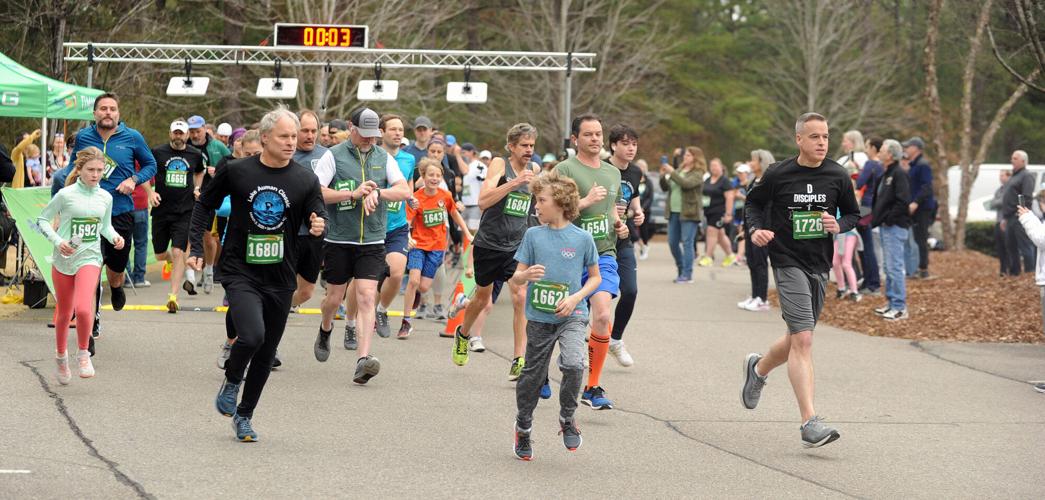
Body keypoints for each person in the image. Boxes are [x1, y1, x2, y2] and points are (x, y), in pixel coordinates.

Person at [191, 106, 327, 442]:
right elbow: (205, 203)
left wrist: (318, 223)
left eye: (294, 137)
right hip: (240, 270)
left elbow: (319, 216)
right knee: (252, 336)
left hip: (281, 275)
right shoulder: (237, 171)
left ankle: (245, 416)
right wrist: (196, 247)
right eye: (284, 136)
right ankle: (233, 379)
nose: (292, 142)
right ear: (265, 137)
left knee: (267, 353)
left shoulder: (305, 179)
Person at [741, 112, 860, 448]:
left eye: (825, 136)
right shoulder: (779, 173)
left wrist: (840, 225)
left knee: (797, 337)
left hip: (818, 263)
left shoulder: (837, 174)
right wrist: (755, 230)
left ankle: (759, 368)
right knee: (804, 339)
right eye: (814, 137)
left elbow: (852, 212)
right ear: (799, 140)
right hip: (785, 258)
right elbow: (753, 203)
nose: (821, 143)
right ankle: (809, 422)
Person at [312, 108, 411, 384]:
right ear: (350, 128)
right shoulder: (333, 155)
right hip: (339, 240)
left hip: (373, 240)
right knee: (333, 300)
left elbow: (404, 191)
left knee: (367, 296)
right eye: (364, 135)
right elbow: (316, 191)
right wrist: (352, 194)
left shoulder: (384, 157)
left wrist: (378, 192)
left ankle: (363, 360)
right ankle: (326, 327)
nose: (370, 141)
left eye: (373, 136)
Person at [510, 173, 600, 460]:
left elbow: (595, 279)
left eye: (542, 200)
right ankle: (523, 428)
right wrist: (524, 275)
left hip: (572, 314)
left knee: (574, 364)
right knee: (532, 377)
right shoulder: (533, 235)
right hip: (539, 318)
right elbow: (516, 278)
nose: (537, 205)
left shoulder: (582, 238)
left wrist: (576, 297)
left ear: (560, 203)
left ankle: (567, 418)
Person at [450, 123, 541, 378]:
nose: (529, 150)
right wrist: (513, 184)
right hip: (489, 243)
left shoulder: (535, 169)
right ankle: (463, 335)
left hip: (517, 244)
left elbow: (538, 206)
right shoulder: (501, 165)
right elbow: (483, 201)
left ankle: (519, 359)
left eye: (532, 145)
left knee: (520, 297)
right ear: (511, 146)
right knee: (482, 298)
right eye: (524, 145)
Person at [554, 113, 629, 410]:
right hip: (569, 256)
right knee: (561, 319)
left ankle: (593, 386)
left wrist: (619, 225)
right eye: (589, 135)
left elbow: (612, 209)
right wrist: (583, 202)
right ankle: (546, 366)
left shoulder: (613, 173)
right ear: (575, 139)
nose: (596, 139)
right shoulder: (564, 169)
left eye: (598, 134)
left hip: (603, 254)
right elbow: (553, 214)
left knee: (601, 316)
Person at [59, 93, 157, 316]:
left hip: (120, 211)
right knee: (90, 267)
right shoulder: (84, 137)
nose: (108, 113)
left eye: (112, 109)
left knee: (116, 265)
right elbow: (73, 169)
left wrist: (133, 180)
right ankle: (89, 324)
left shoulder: (132, 137)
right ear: (94, 113)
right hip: (87, 214)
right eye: (103, 108)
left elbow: (151, 165)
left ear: (118, 113)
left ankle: (115, 286)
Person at [37, 147, 125, 384]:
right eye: (91, 170)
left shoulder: (105, 197)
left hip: (90, 257)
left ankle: (83, 353)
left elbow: (104, 227)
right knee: (64, 313)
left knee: (84, 309)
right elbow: (42, 220)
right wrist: (58, 241)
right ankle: (60, 356)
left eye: (99, 170)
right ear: (80, 170)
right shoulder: (65, 195)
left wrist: (115, 237)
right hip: (64, 258)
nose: (96, 174)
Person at [400, 159, 471, 338]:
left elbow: (454, 213)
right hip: (417, 244)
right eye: (431, 175)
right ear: (423, 176)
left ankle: (416, 294)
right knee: (414, 280)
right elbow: (408, 221)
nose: (434, 178)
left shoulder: (445, 196)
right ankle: (406, 321)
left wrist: (467, 232)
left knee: (423, 287)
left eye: (438, 175)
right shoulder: (416, 198)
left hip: (437, 246)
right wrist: (408, 238)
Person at [214, 130, 263, 369]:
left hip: (266, 248)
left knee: (264, 301)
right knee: (237, 304)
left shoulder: (273, 174)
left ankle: (264, 346)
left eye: (258, 154)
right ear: (241, 152)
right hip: (235, 248)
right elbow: (218, 207)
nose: (253, 157)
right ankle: (230, 342)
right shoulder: (234, 173)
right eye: (249, 153)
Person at [149, 118, 206, 313]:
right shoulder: (158, 152)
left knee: (178, 252)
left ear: (187, 135)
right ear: (170, 133)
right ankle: (172, 262)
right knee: (159, 255)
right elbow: (145, 174)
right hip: (161, 210)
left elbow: (200, 172)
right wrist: (150, 192)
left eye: (182, 133)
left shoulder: (195, 154)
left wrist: (197, 188)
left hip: (184, 210)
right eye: (175, 132)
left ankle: (173, 296)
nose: (178, 136)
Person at [607, 124, 646, 367]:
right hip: (599, 238)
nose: (631, 148)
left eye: (633, 143)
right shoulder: (602, 169)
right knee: (593, 296)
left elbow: (633, 195)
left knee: (630, 291)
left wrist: (638, 211)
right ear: (613, 145)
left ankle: (615, 340)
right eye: (625, 143)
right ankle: (578, 342)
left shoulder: (635, 172)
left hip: (623, 239)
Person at [288, 110, 329, 311]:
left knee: (306, 293)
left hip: (314, 233)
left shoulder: (326, 156)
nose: (310, 135)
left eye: (314, 131)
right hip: (287, 231)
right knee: (281, 283)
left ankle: (281, 306)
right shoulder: (285, 154)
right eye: (305, 130)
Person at [188, 115, 232, 294]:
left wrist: (217, 171)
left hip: (211, 197)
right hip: (189, 196)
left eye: (197, 131)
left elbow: (232, 164)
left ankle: (209, 271)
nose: (195, 135)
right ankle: (190, 274)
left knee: (208, 237)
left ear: (205, 129)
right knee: (189, 235)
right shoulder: (188, 147)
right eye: (191, 132)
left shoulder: (217, 146)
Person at [871, 140, 912, 320]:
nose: (879, 153)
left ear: (890, 155)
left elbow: (902, 201)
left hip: (895, 227)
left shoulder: (898, 174)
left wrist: (888, 219)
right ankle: (891, 302)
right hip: (886, 227)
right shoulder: (886, 173)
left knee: (895, 267)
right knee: (888, 267)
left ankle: (899, 306)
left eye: (882, 150)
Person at [661, 147, 705, 283]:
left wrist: (672, 172)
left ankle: (687, 274)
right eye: (685, 155)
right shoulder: (679, 171)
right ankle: (681, 269)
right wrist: (663, 175)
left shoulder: (698, 172)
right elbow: (665, 187)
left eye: (688, 155)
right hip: (673, 211)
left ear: (695, 158)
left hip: (689, 212)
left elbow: (686, 184)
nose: (685, 157)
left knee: (687, 242)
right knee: (672, 242)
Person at [737, 149, 775, 312]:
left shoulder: (769, 182)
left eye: (753, 160)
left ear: (762, 162)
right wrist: (744, 227)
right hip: (750, 228)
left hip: (763, 228)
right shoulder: (753, 181)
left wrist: (763, 227)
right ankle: (755, 295)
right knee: (752, 261)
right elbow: (750, 205)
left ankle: (762, 298)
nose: (750, 163)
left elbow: (768, 208)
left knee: (760, 263)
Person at [855, 137, 884, 295]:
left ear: (873, 148)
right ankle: (869, 281)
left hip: (865, 208)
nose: (865, 149)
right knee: (866, 245)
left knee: (865, 246)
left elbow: (859, 183)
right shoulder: (882, 166)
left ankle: (872, 283)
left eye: (867, 146)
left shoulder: (871, 164)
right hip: (874, 207)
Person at [902, 137, 934, 279]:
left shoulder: (923, 165)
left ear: (916, 148)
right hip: (914, 207)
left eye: (908, 146)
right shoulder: (913, 165)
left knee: (920, 238)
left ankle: (923, 268)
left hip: (922, 208)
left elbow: (926, 187)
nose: (906, 149)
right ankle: (915, 268)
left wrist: (915, 202)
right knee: (914, 238)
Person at [1002, 151, 1036, 275]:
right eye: (1012, 158)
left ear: (1023, 161)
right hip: (1009, 217)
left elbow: (1027, 197)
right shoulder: (1013, 176)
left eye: (1015, 158)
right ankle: (1015, 273)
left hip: (1019, 216)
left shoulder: (1026, 176)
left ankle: (1030, 273)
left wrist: (1022, 214)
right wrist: (1005, 218)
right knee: (1011, 247)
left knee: (1025, 246)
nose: (1012, 160)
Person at [699, 158, 737, 267]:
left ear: (721, 167)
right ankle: (730, 255)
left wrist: (728, 213)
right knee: (720, 235)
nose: (713, 168)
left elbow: (730, 197)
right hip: (708, 211)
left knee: (711, 231)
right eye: (711, 166)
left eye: (715, 166)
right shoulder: (708, 180)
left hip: (719, 211)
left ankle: (708, 257)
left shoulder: (725, 181)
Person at [460, 143, 486, 232]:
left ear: (471, 152)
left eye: (464, 152)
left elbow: (484, 184)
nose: (462, 155)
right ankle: (463, 246)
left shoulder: (479, 165)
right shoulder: (467, 165)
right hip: (465, 203)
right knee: (463, 230)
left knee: (473, 229)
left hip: (475, 203)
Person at [991, 170, 1012, 276]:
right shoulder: (999, 190)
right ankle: (1002, 270)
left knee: (1008, 246)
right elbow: (992, 203)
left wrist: (998, 201)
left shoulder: (1010, 189)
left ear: (1009, 176)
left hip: (1006, 222)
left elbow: (1003, 201)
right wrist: (998, 201)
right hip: (998, 221)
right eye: (1000, 175)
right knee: (1000, 248)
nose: (1000, 177)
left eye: (1002, 175)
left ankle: (1010, 269)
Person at [636, 159, 655, 260]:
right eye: (639, 166)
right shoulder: (634, 179)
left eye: (642, 166)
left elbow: (650, 197)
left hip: (645, 210)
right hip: (633, 210)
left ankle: (645, 246)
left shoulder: (649, 182)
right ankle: (638, 246)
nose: (641, 168)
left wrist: (643, 208)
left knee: (644, 230)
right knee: (632, 230)